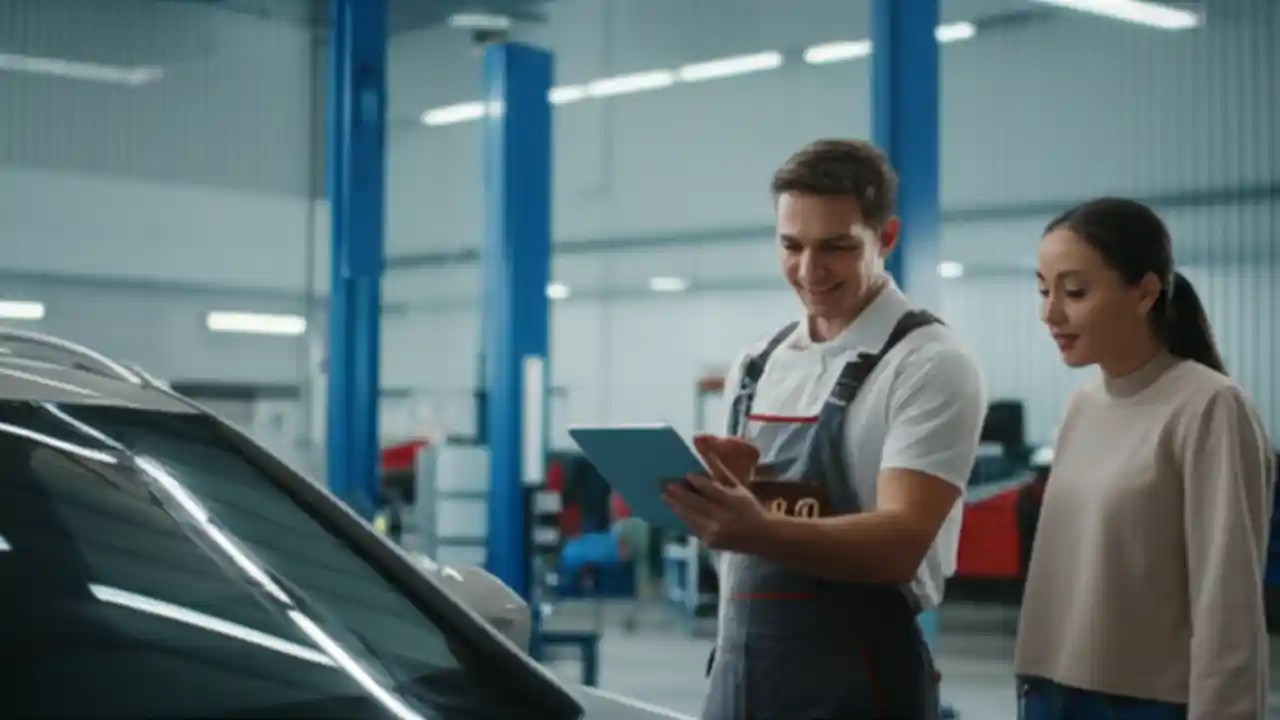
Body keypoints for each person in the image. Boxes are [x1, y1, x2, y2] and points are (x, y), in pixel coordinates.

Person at [661, 138, 988, 720]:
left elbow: (900, 544)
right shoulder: (755, 366)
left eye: (836, 247)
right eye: (792, 246)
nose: (809, 271)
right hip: (741, 675)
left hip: (858, 687)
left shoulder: (927, 364)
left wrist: (758, 527)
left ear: (885, 238)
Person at [1015, 197, 1276, 720]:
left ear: (1146, 292)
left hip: (1145, 705)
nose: (1050, 313)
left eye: (1075, 292)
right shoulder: (1083, 405)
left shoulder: (1209, 407)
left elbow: (1227, 600)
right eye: (1044, 290)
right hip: (1049, 692)